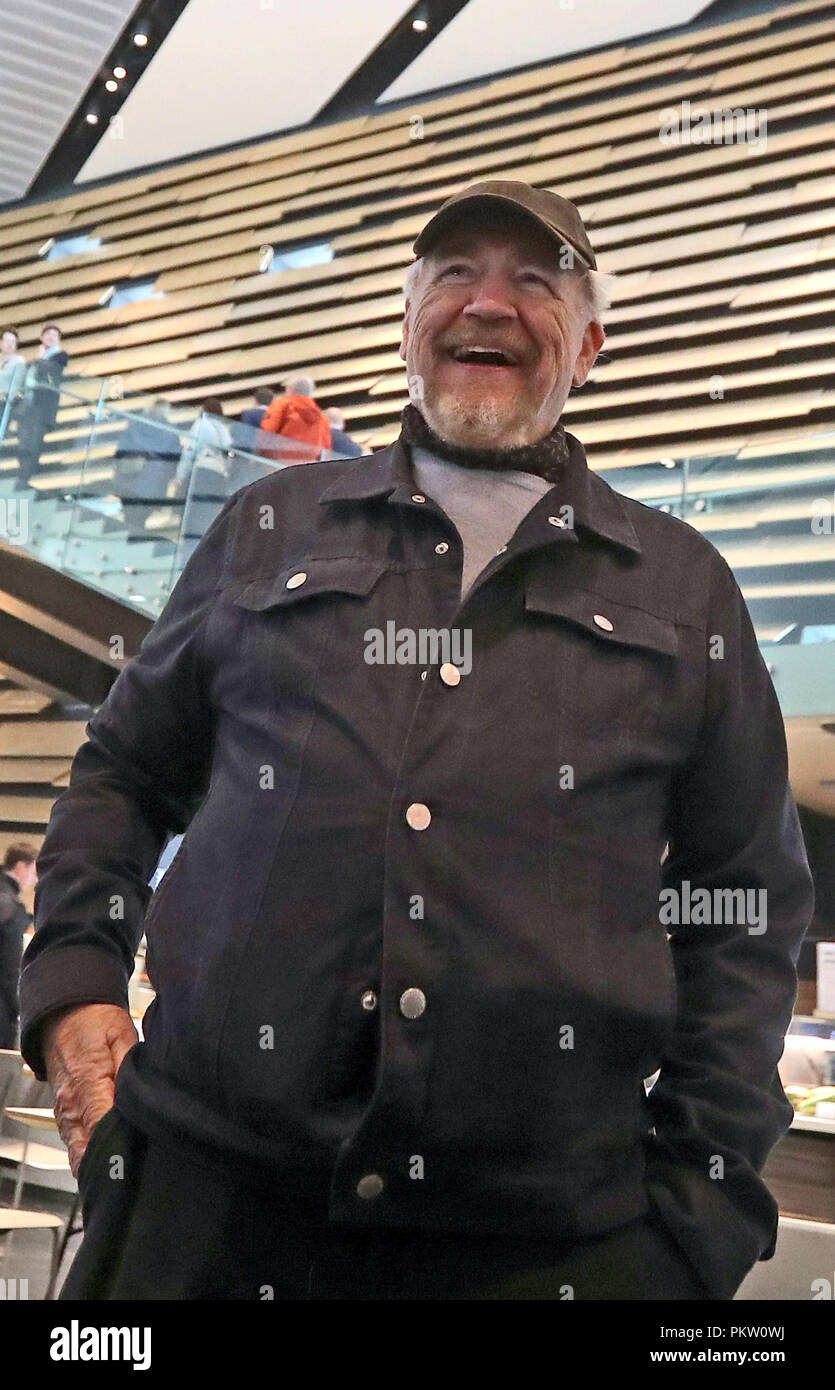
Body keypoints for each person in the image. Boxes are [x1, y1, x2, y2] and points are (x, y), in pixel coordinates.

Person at [20, 180, 813, 1302]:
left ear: (588, 345)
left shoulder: (686, 589)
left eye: (534, 280)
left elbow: (746, 903)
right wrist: (73, 983)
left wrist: (698, 1214)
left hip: (539, 1248)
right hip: (193, 1211)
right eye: (452, 273)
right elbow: (124, 771)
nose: (486, 302)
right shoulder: (267, 524)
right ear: (407, 326)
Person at [15, 324, 69, 489]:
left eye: (55, 335)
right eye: (48, 334)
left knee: (34, 443)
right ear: (41, 338)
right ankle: (21, 476)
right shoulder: (33, 361)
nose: (51, 337)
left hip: (43, 409)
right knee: (23, 443)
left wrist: (40, 359)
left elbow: (52, 371)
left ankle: (25, 478)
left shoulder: (60, 356)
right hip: (27, 408)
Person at [0, 843, 37, 1049]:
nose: (35, 880)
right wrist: (20, 1011)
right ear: (21, 867)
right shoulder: (12, 910)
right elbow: (10, 971)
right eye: (33, 872)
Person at [259, 373, 331, 463]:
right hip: (308, 464)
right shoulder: (321, 416)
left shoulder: (281, 405)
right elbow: (326, 448)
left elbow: (267, 432)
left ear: (290, 389)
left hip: (282, 462)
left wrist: (260, 459)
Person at [0, 327, 26, 406]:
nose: (10, 344)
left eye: (13, 342)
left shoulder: (19, 361)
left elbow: (18, 383)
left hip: (7, 403)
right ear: (0, 342)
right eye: (7, 341)